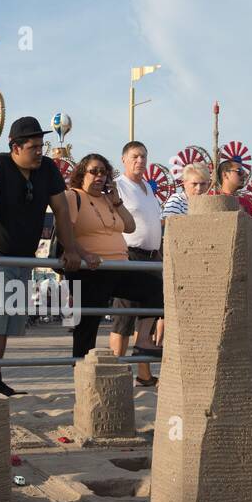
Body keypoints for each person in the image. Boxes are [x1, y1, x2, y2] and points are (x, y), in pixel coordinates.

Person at [0, 116, 84, 395]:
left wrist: (70, 249)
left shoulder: (47, 170)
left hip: (22, 254)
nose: (39, 152)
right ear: (15, 147)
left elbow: (62, 211)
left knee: (11, 315)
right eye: (33, 147)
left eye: (41, 146)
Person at [62, 153, 162, 358]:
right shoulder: (73, 196)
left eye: (104, 172)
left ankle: (143, 340)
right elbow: (66, 232)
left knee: (156, 290)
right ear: (82, 173)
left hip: (119, 267)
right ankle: (82, 373)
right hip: (89, 270)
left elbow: (130, 226)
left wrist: (116, 201)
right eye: (94, 171)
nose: (100, 176)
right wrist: (85, 254)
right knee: (87, 326)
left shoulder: (108, 200)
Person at [108, 140, 163, 387]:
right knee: (124, 317)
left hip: (152, 257)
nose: (140, 160)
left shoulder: (147, 188)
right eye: (134, 156)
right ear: (124, 159)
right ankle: (115, 371)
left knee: (148, 317)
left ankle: (143, 373)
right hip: (129, 254)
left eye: (143, 156)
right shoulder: (118, 187)